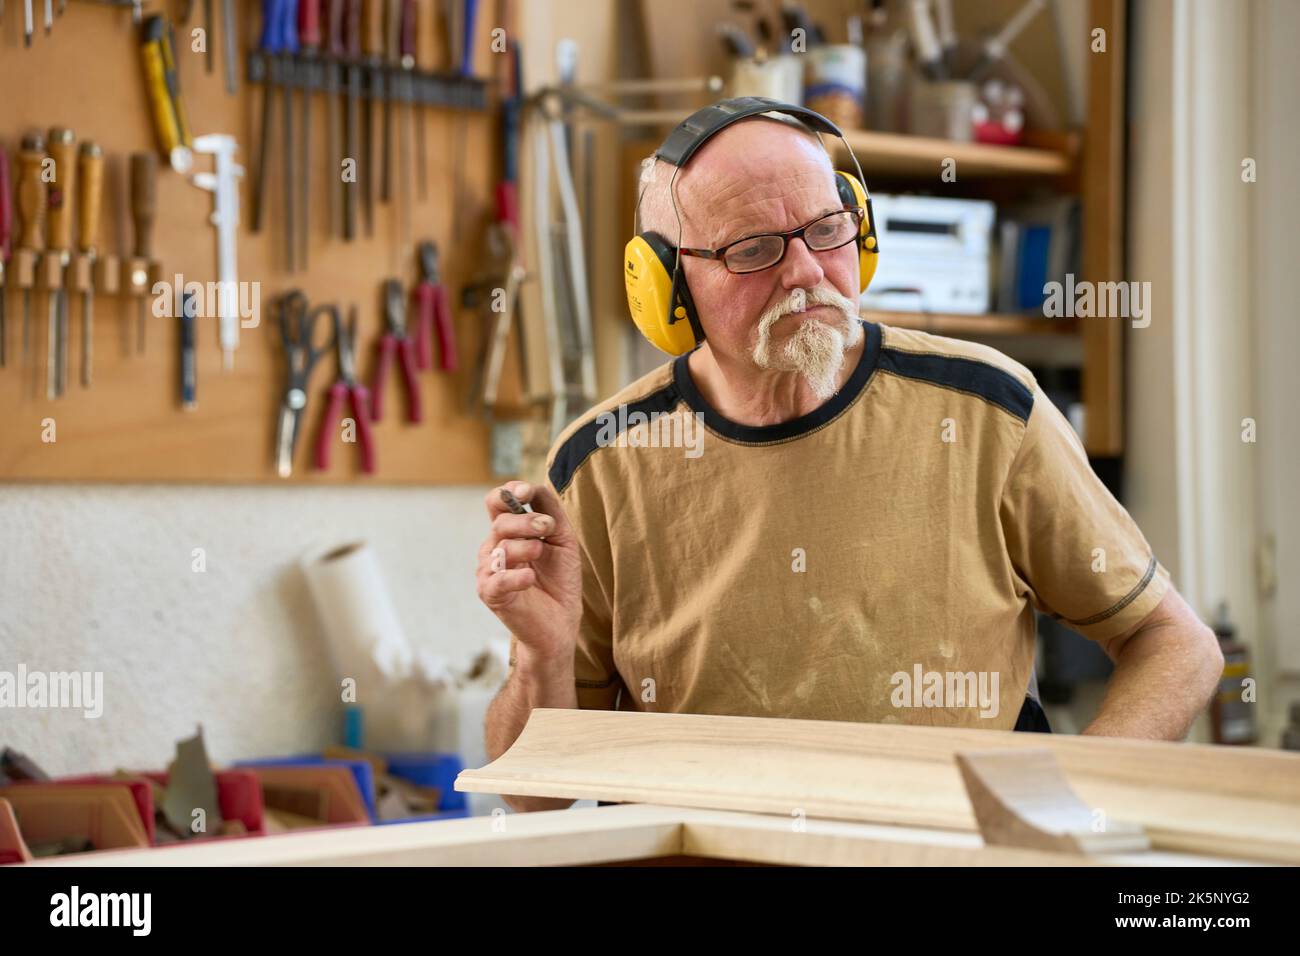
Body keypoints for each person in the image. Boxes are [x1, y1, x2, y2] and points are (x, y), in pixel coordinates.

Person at [474, 103, 1223, 813]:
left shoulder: (989, 409)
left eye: (828, 229)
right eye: (754, 248)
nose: (805, 271)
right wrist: (541, 658)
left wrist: (1069, 806)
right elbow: (532, 794)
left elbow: (1176, 646)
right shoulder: (598, 463)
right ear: (669, 285)